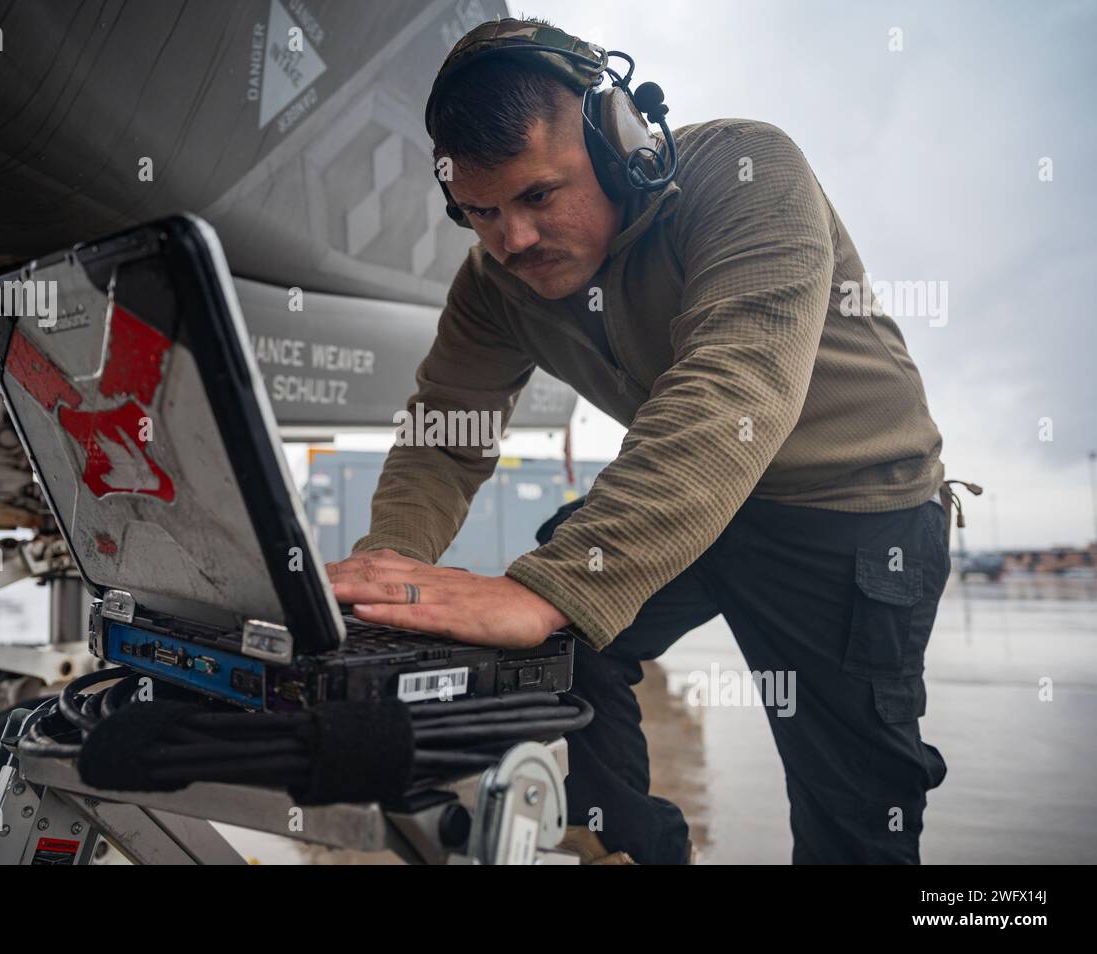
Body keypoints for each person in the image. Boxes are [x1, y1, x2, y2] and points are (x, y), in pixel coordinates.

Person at [325, 17, 951, 864]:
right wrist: (385, 572)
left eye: (539, 195)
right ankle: (628, 852)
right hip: (692, 504)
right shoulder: (494, 284)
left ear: (621, 143)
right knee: (560, 646)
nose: (512, 240)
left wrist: (542, 591)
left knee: (852, 808)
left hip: (850, 510)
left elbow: (732, 392)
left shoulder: (748, 173)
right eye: (481, 211)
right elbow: (444, 433)